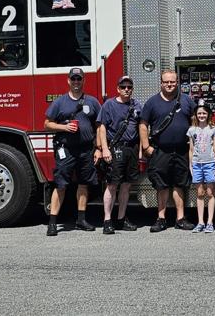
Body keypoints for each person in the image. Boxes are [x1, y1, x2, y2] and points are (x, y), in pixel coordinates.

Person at [44, 67, 102, 236]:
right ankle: (52, 223)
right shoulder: (60, 102)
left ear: (84, 80)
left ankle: (81, 220)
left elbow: (99, 126)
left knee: (83, 184)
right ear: (68, 81)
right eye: (73, 79)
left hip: (86, 149)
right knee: (61, 185)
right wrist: (64, 127)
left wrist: (98, 148)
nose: (76, 81)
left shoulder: (92, 102)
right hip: (66, 149)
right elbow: (47, 124)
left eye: (79, 78)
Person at [139, 70, 197, 232]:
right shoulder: (152, 102)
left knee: (180, 184)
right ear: (161, 83)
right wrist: (146, 146)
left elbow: (196, 119)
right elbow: (143, 125)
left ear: (177, 83)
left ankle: (180, 219)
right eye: (166, 82)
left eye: (172, 82)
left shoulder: (186, 100)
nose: (169, 84)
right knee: (161, 185)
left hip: (182, 150)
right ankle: (161, 219)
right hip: (160, 151)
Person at [96, 75, 142, 234]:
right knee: (112, 185)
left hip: (132, 149)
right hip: (115, 149)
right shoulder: (109, 105)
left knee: (127, 185)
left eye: (129, 87)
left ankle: (121, 219)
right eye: (123, 87)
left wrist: (140, 150)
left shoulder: (137, 105)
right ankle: (107, 220)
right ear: (118, 89)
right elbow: (102, 128)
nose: (126, 89)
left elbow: (141, 127)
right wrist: (104, 149)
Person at [187, 100, 215, 233]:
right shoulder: (191, 130)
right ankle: (200, 222)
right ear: (196, 115)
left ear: (208, 115)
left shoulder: (213, 129)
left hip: (209, 163)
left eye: (204, 113)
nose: (201, 115)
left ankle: (210, 222)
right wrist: (190, 164)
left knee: (210, 193)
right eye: (199, 113)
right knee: (200, 193)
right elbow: (191, 149)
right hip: (197, 164)